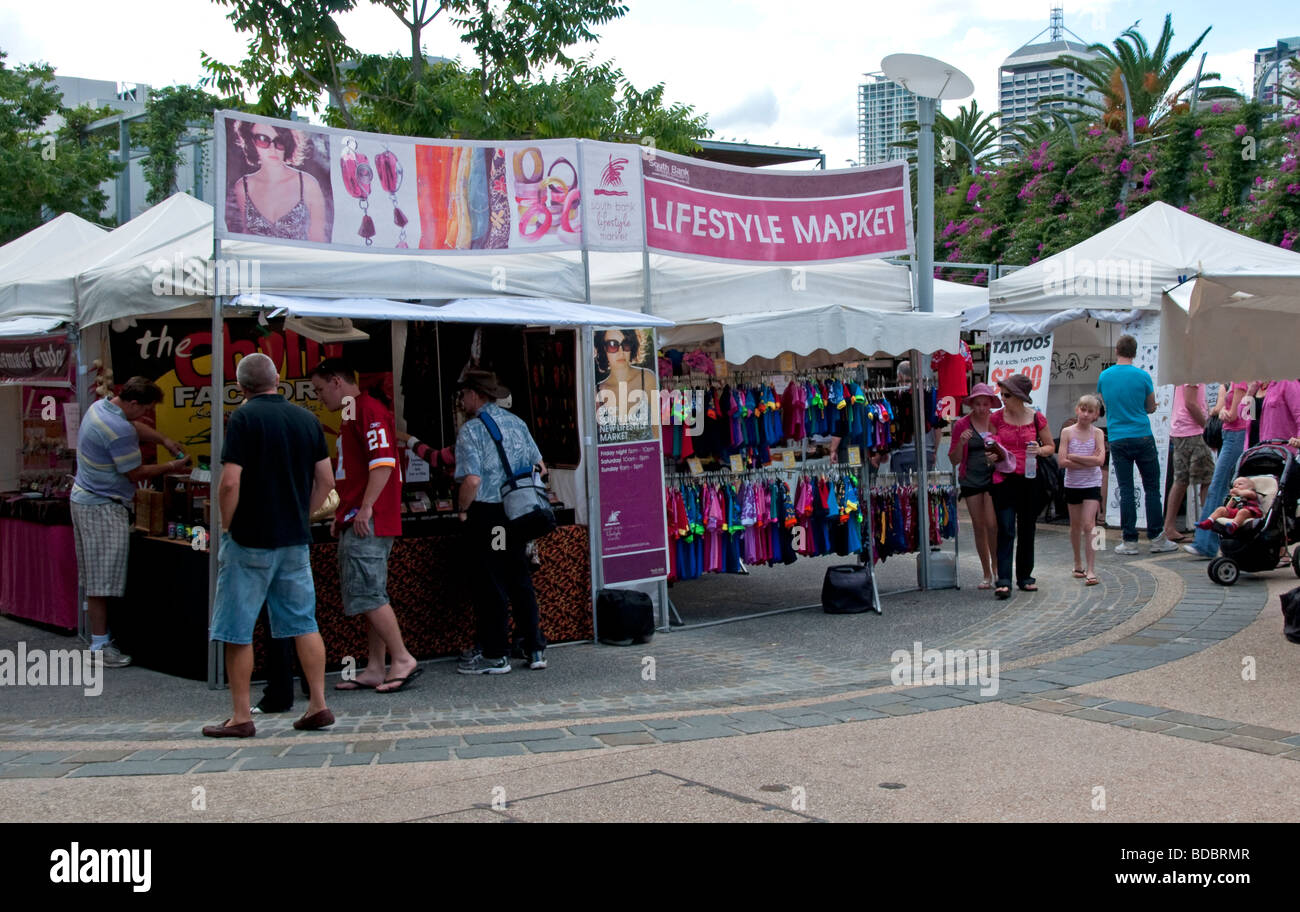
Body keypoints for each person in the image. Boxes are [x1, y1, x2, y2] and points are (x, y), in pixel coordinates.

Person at [203, 354, 336, 737]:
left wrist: (227, 527)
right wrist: (302, 514)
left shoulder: (243, 418)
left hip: (250, 540)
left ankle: (241, 716)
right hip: (294, 541)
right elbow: (326, 480)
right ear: (278, 379)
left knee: (237, 629)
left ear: (240, 386)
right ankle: (318, 704)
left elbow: (230, 482)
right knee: (303, 623)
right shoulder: (308, 419)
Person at [310, 359, 421, 693]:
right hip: (360, 515)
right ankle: (376, 665)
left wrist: (365, 507)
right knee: (372, 592)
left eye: (319, 389)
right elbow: (360, 466)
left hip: (368, 518)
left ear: (336, 382)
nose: (318, 398)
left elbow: (383, 462)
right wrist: (345, 512)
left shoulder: (365, 409)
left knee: (368, 593)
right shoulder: (353, 411)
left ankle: (401, 658)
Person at [70, 377, 190, 668]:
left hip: (85, 498)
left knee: (95, 575)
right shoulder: (118, 428)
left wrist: (163, 439)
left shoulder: (102, 407)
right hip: (102, 505)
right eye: (146, 409)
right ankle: (100, 645)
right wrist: (173, 466)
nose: (146, 415)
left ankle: (101, 637)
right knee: (101, 578)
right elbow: (135, 473)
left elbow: (135, 427)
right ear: (133, 402)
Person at [454, 369, 549, 674]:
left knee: (492, 582)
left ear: (475, 394)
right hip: (518, 512)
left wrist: (462, 509)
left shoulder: (472, 430)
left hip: (491, 513)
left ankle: (496, 654)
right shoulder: (516, 421)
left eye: (464, 393)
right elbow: (540, 466)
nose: (462, 399)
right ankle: (534, 649)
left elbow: (471, 479)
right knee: (519, 578)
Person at [1096, 335, 1178, 555]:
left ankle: (1129, 540)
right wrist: (1146, 408)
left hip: (1117, 437)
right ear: (1135, 352)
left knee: (1126, 489)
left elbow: (1105, 401)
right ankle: (1156, 537)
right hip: (1141, 435)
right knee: (1152, 488)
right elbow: (1150, 406)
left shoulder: (1105, 376)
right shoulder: (1143, 376)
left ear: (1117, 351)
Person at [989, 373, 1055, 599]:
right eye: (1002, 393)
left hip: (1030, 478)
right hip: (1004, 479)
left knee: (1027, 527)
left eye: (1006, 394)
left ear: (1019, 396)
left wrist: (1038, 450)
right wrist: (991, 455)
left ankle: (1025, 576)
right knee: (1006, 528)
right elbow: (991, 445)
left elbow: (1050, 447)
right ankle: (1003, 579)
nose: (1002, 398)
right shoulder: (996, 418)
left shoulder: (1037, 418)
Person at [230, 121, 328, 242]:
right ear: (251, 142)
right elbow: (246, 233)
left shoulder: (308, 184)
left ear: (287, 143)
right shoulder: (243, 187)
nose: (272, 148)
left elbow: (318, 237)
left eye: (279, 141)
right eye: (262, 139)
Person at [947, 382, 1004, 589]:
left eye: (985, 404)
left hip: (992, 477)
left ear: (991, 404)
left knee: (992, 525)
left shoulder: (996, 421)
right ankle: (986, 572)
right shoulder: (962, 424)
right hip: (970, 478)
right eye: (977, 404)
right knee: (979, 527)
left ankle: (997, 569)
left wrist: (995, 455)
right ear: (972, 404)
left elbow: (1005, 451)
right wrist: (961, 443)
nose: (981, 408)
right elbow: (953, 459)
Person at [1186, 381, 1252, 559]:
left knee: (1218, 487)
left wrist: (1222, 411)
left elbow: (1230, 414)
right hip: (1233, 435)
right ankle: (1208, 541)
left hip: (1235, 435)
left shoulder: (1240, 380)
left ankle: (1206, 542)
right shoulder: (1234, 382)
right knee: (1222, 488)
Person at [1059, 395, 1107, 586]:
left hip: (1092, 484)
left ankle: (1092, 568)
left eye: (1090, 411)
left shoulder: (1098, 434)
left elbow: (1100, 461)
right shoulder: (1067, 432)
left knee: (1090, 525)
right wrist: (1088, 460)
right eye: (1083, 409)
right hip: (1073, 484)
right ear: (1077, 409)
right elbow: (1062, 462)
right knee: (1075, 526)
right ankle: (1077, 562)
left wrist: (1074, 457)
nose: (1086, 414)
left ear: (1096, 415)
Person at [1162, 383, 1215, 543]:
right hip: (1193, 431)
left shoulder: (1184, 371)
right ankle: (1208, 528)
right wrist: (1208, 427)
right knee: (1207, 479)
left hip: (1180, 429)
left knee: (1181, 480)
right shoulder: (1193, 372)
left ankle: (1169, 527)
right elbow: (1190, 403)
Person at [594, 328, 657, 437]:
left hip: (646, 453)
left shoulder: (647, 378)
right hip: (612, 454)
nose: (620, 351)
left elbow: (657, 428)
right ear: (603, 348)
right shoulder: (597, 391)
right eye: (612, 345)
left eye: (626, 344)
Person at [890, 359, 939, 478]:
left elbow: (937, 425)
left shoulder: (926, 395)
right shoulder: (896, 396)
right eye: (901, 381)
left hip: (914, 451)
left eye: (907, 381)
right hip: (918, 451)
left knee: (904, 492)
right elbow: (937, 426)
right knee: (918, 491)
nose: (904, 385)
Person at [1197, 476, 1263, 534]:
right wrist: (1232, 498)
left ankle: (1234, 525)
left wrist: (1238, 492)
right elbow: (1228, 507)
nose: (1236, 486)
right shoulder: (1238, 497)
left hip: (1250, 511)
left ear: (1250, 487)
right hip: (1237, 511)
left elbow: (1247, 494)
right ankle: (1209, 522)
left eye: (1240, 484)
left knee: (1242, 512)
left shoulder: (1251, 493)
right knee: (1221, 509)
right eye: (1234, 486)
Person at [1257, 379, 1300, 448]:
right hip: (1261, 447)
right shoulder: (1269, 385)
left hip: (1283, 451)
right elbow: (1244, 416)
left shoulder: (1289, 383)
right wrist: (1249, 393)